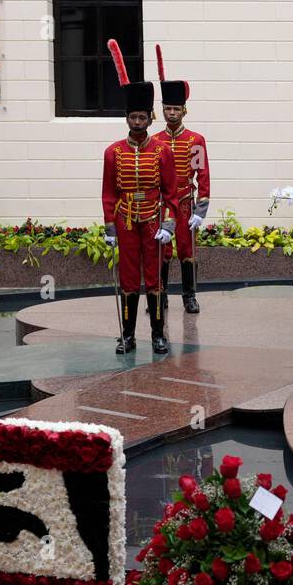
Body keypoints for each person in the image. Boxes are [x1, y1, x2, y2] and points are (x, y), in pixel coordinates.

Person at [102, 40, 178, 355]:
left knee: (154, 280)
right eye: (132, 117)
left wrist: (169, 225)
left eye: (142, 117)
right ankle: (129, 336)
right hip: (125, 220)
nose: (137, 122)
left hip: (152, 220)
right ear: (127, 118)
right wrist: (109, 227)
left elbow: (172, 192)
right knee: (129, 279)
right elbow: (108, 192)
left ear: (150, 118)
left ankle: (158, 334)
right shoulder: (113, 151)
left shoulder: (162, 151)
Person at [151, 47, 211, 314]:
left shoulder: (195, 140)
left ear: (184, 110)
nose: (171, 113)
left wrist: (201, 210)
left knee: (186, 250)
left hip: (186, 202)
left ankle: (189, 295)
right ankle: (160, 295)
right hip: (162, 203)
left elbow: (203, 175)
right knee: (161, 251)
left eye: (176, 108)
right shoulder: (155, 141)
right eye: (167, 108)